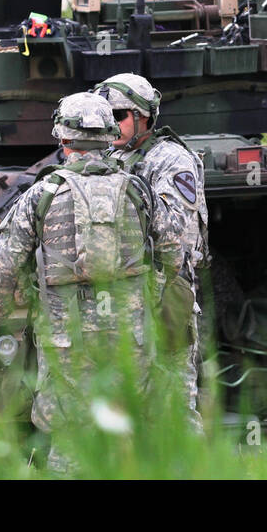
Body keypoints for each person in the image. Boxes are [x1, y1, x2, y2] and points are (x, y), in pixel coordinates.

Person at [0, 92, 185, 471]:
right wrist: (152, 296)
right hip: (131, 332)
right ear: (110, 136)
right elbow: (174, 254)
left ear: (62, 138)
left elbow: (4, 271)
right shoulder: (139, 191)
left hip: (66, 337)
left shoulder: (40, 195)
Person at [94, 73, 207, 424]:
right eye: (105, 117)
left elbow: (176, 237)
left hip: (163, 296)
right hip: (120, 300)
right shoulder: (110, 160)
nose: (111, 126)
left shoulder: (170, 161)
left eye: (119, 116)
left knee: (173, 407)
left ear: (143, 116)